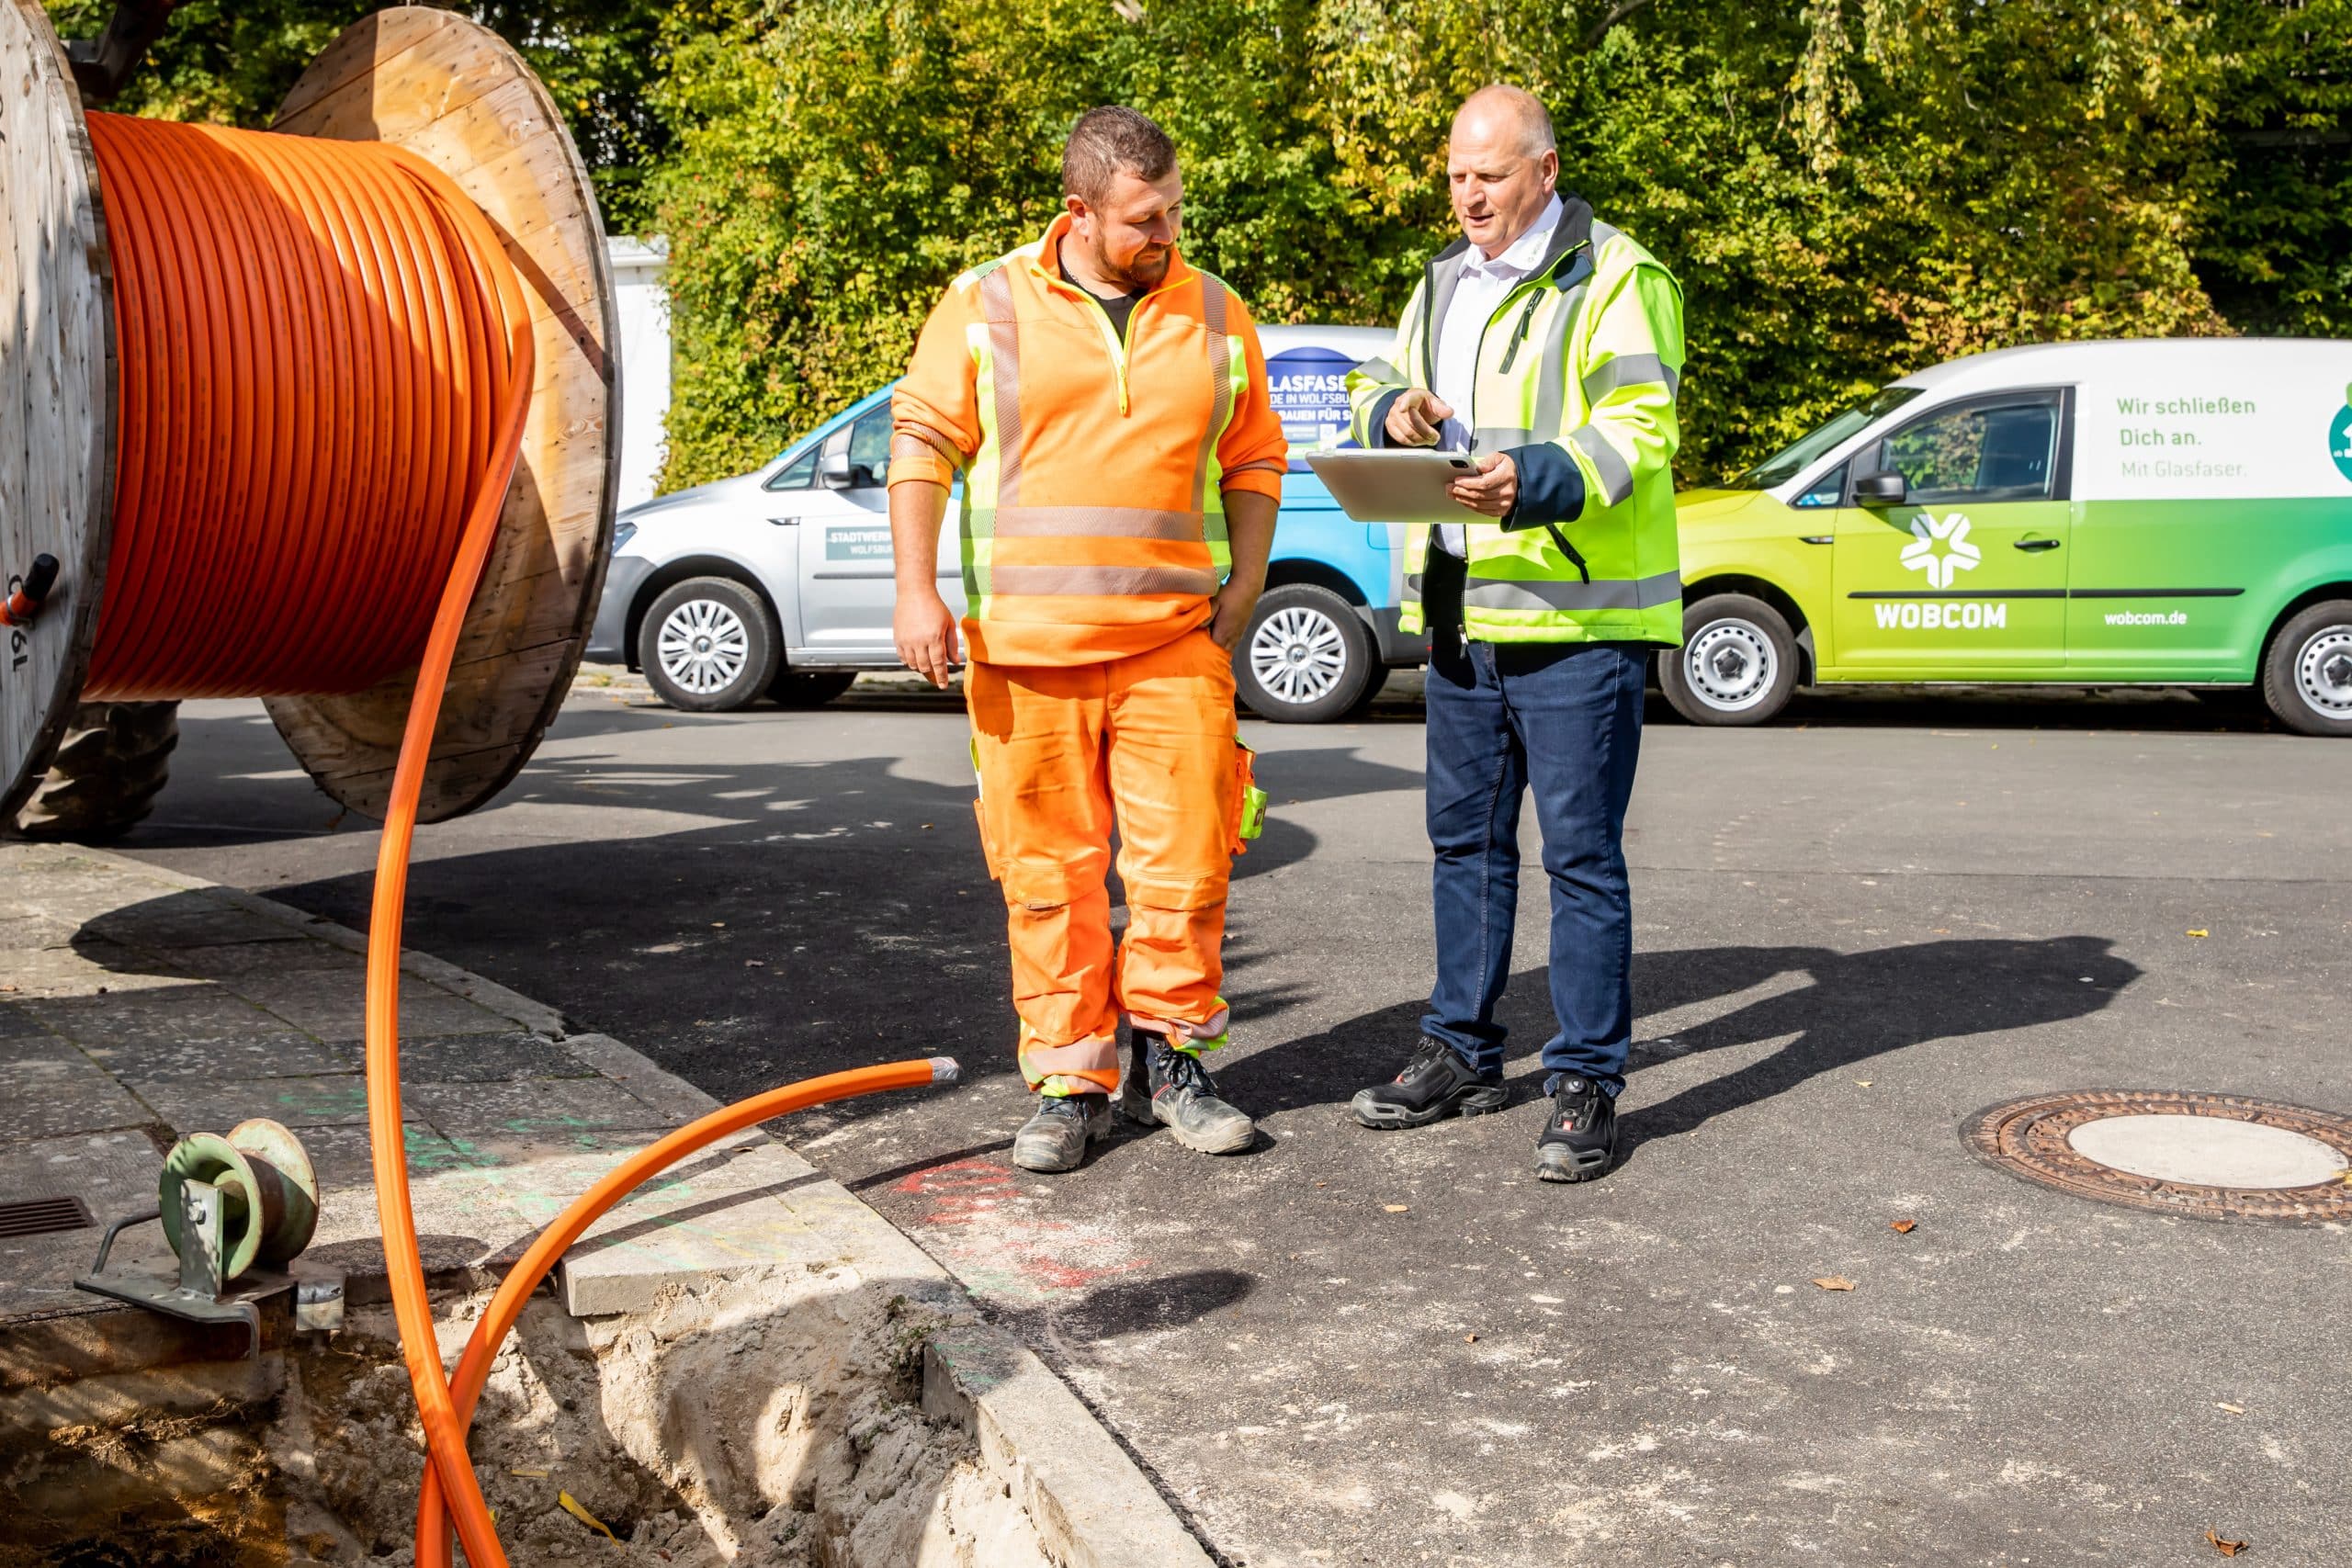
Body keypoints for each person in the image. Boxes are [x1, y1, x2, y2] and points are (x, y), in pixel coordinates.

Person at [888, 107, 1288, 1174]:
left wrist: (1245, 582)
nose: (1165, 235)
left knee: (1186, 866)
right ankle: (1070, 1080)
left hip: (1172, 646)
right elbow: (922, 442)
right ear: (1077, 212)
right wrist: (914, 592)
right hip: (1027, 651)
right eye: (1142, 220)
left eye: (1173, 213)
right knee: (1048, 878)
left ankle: (1173, 1063)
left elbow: (1255, 459)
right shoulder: (984, 305)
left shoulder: (1214, 309)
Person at [1343, 85, 1686, 1182]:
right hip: (1460, 616)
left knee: (1580, 860)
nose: (1467, 194)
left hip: (1579, 621)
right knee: (1465, 850)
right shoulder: (1441, 278)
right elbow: (1379, 379)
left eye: (1488, 174)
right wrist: (1389, 412)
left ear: (1543, 171)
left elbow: (1642, 426)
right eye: (1454, 173)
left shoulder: (1621, 276)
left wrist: (1531, 476)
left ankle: (1584, 1078)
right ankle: (1460, 1053)